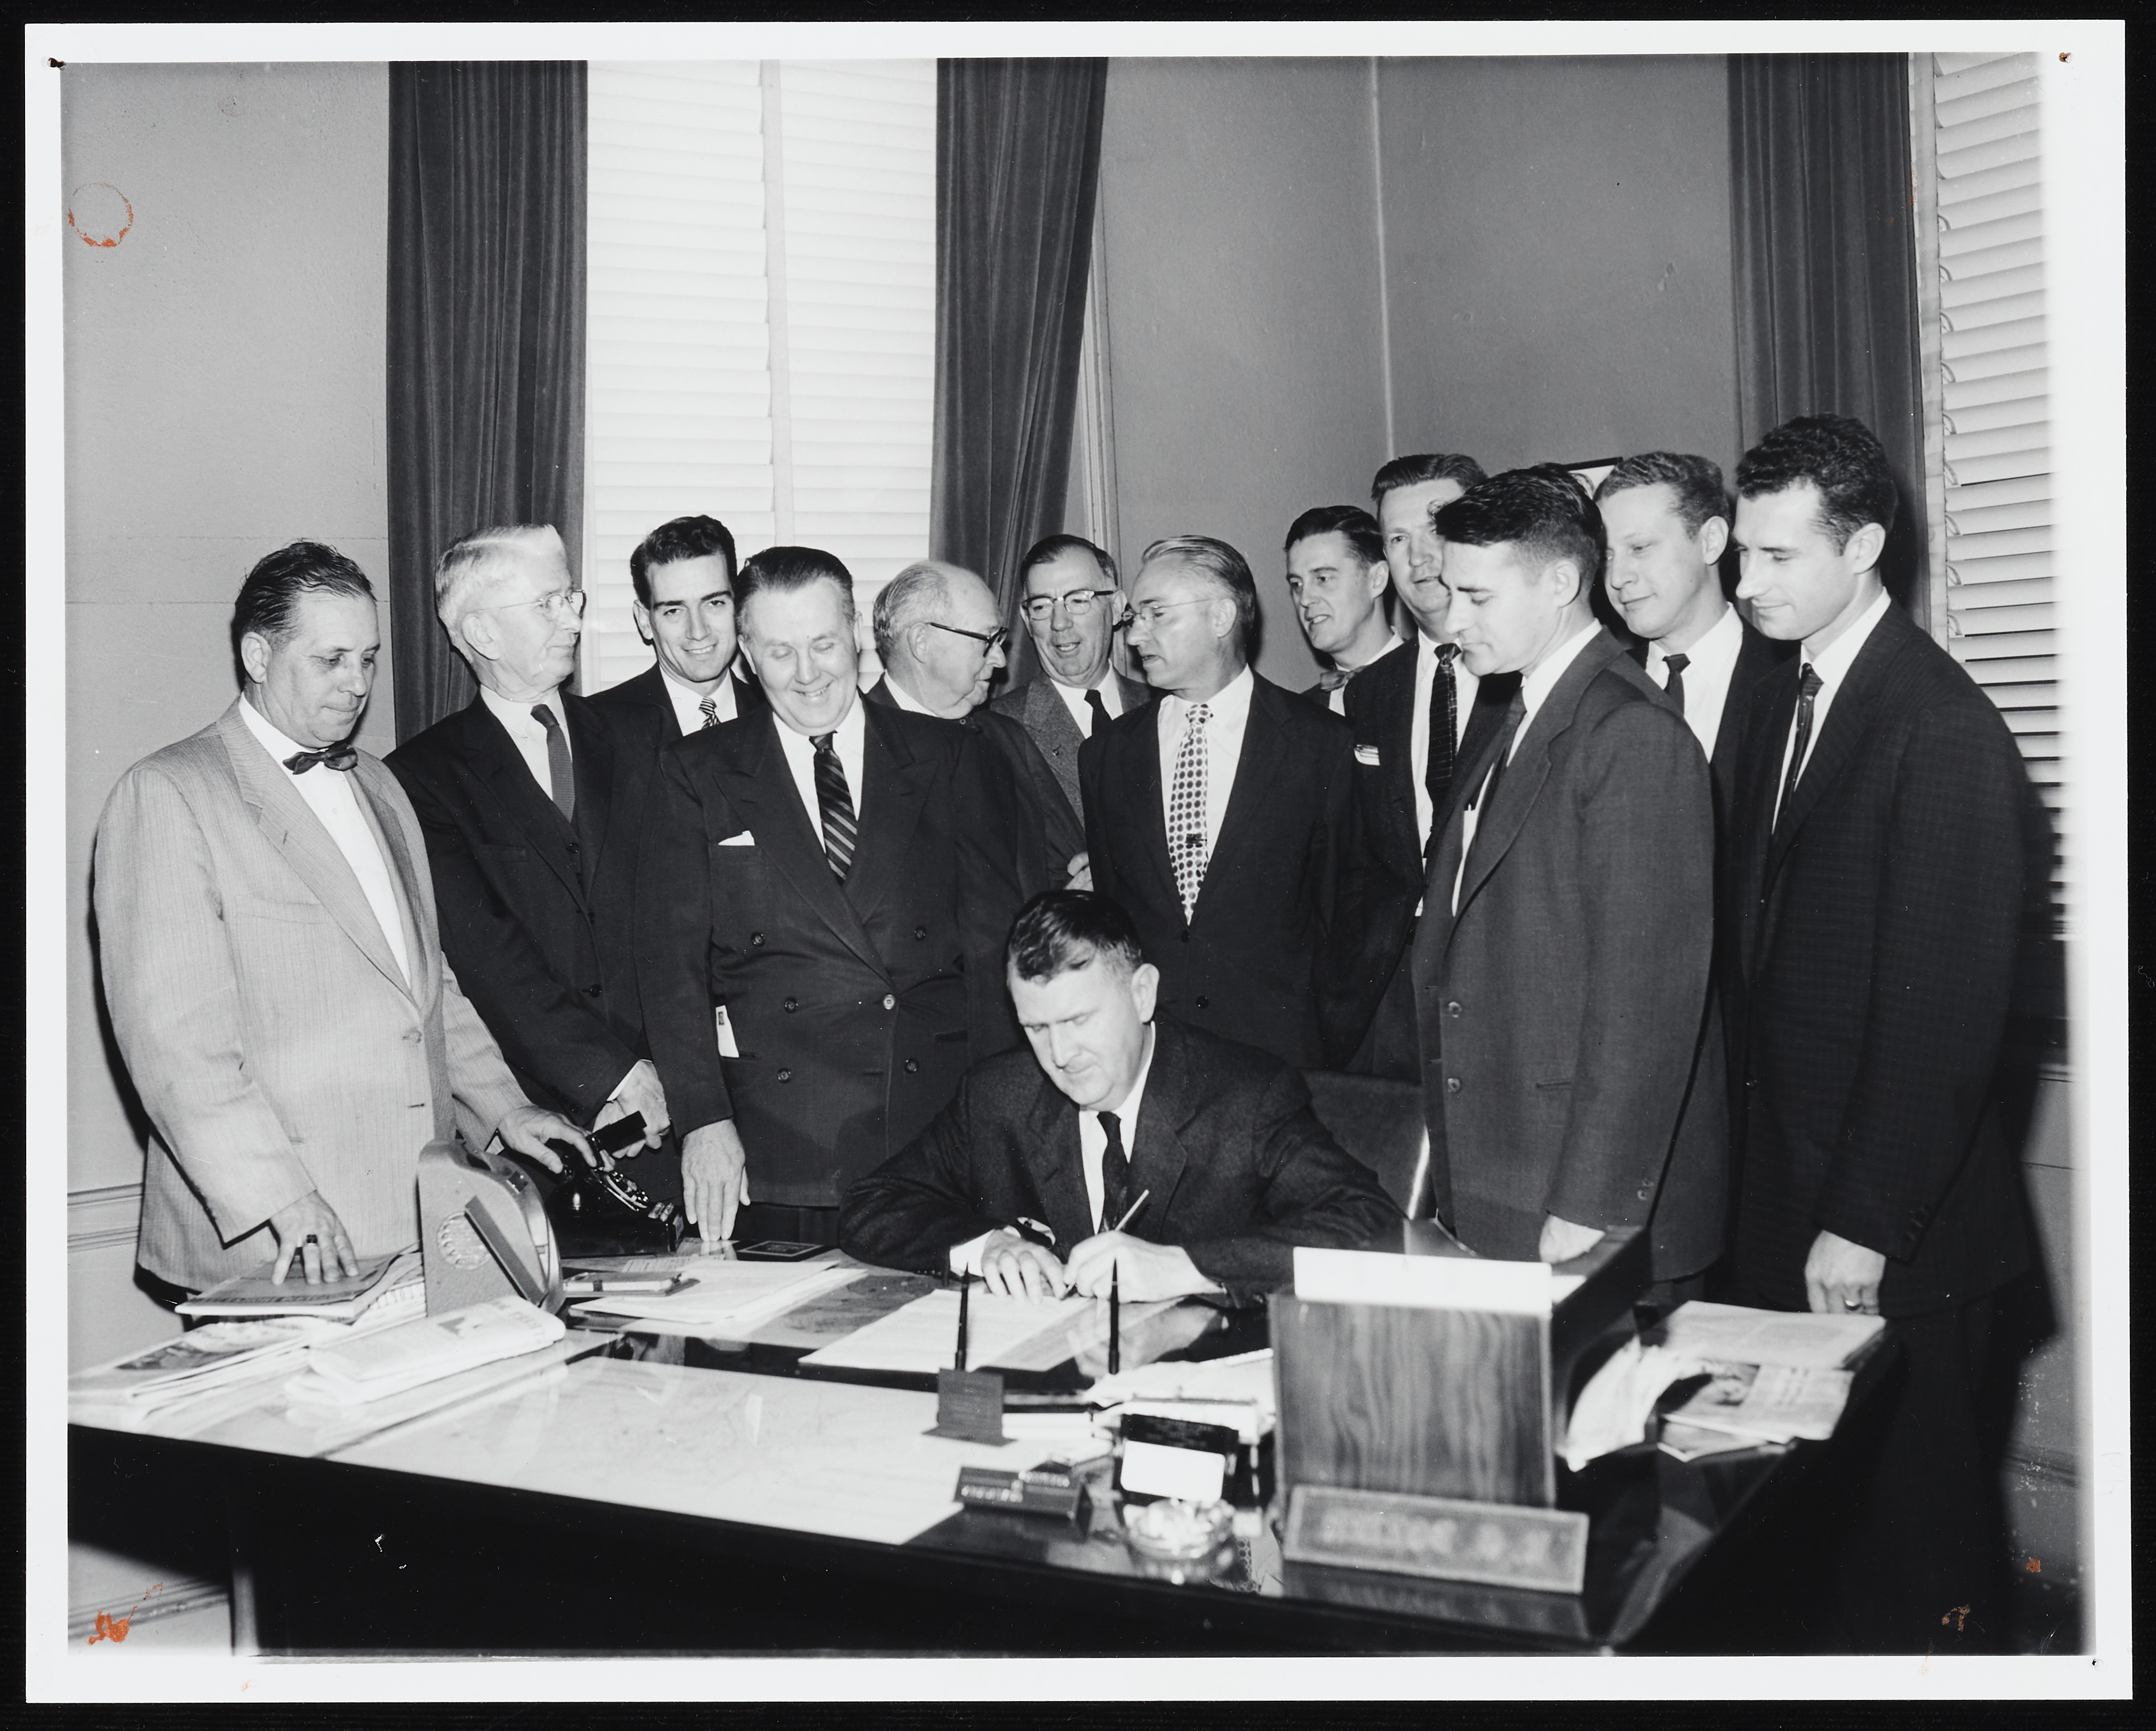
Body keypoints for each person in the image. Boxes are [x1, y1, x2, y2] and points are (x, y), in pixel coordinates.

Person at [1723, 414, 2047, 1652]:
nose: (1747, 583)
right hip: (1794, 1205)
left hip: (1887, 1233)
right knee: (1814, 1556)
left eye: (1774, 557)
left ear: (1861, 544)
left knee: (1911, 1573)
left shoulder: (1939, 726)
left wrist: (1859, 1219)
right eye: (1743, 555)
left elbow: (1940, 1016)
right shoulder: (1788, 688)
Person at [93, 542, 591, 1295]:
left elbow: (427, 989)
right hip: (281, 1233)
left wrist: (507, 1110)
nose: (357, 685)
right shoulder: (170, 794)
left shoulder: (383, 787)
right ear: (258, 655)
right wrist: (280, 1199)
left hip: (412, 1214)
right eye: (331, 661)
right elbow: (178, 1052)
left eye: (368, 659)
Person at [636, 546, 1027, 1247]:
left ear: (854, 636)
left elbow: (994, 957)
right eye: (780, 652)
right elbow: (672, 972)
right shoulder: (697, 772)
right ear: (747, 657)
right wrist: (702, 1121)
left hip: (928, 1132)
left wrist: (1000, 1131)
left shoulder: (948, 756)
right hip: (775, 1149)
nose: (808, 673)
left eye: (822, 644)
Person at [1413, 467, 1724, 1287]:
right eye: (1450, 594)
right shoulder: (1517, 712)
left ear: (1559, 583)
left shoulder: (1629, 735)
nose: (1452, 622)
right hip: (1505, 1172)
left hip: (1576, 1203)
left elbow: (1646, 1002)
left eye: (1477, 598)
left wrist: (1588, 1206)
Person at [840, 891, 1401, 1303]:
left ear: (1142, 993)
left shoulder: (1246, 1098)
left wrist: (1188, 1268)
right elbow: (872, 1205)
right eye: (1036, 1029)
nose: (1061, 1053)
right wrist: (983, 1247)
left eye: (1080, 1019)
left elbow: (1376, 1226)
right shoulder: (997, 1097)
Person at [385, 524, 674, 1200]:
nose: (574, 618)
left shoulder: (643, 739)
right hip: (539, 1135)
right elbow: (488, 955)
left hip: (673, 1112)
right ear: (482, 634)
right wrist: (608, 1075)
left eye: (570, 596)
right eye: (548, 603)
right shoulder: (422, 778)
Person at [1081, 535, 1354, 1069]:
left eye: (1157, 614)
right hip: (1154, 1059)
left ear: (1222, 616)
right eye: (1135, 617)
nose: (1135, 634)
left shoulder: (1321, 746)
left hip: (1283, 1058)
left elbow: (1345, 915)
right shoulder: (1107, 757)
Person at [1319, 453, 1517, 1079]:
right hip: (1387, 1003)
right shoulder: (1369, 692)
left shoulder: (1529, 677)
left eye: (1438, 528)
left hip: (1502, 993)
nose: (1419, 556)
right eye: (1398, 539)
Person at [865, 559, 1084, 891]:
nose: (1000, 660)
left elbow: (1070, 868)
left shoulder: (1007, 739)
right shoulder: (854, 749)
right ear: (922, 642)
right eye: (987, 640)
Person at [1595, 451, 1793, 818]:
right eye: (1607, 556)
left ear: (1711, 541)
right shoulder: (1593, 689)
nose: (1618, 576)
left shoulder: (1793, 682)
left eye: (1640, 548)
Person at [990, 534, 1151, 826]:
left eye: (1078, 600)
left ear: (1116, 608)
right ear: (1027, 621)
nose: (1059, 623)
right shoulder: (1000, 730)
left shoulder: (1164, 708)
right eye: (1041, 606)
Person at [590, 513, 763, 736]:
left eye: (714, 603)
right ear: (645, 620)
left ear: (738, 606)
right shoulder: (599, 727)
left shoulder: (778, 713)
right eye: (674, 611)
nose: (698, 632)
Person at [1284, 504, 1402, 714]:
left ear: (1377, 579)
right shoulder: (1299, 717)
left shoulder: (1434, 682)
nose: (1305, 599)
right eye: (1297, 584)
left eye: (1323, 578)